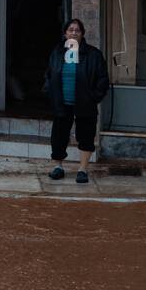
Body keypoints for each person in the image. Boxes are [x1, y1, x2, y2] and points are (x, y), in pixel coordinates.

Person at [42, 18, 109, 184]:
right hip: (62, 103)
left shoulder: (93, 55)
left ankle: (82, 169)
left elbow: (102, 80)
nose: (73, 32)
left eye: (77, 30)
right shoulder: (57, 52)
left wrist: (93, 97)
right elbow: (49, 74)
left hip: (84, 103)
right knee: (58, 136)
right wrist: (49, 92)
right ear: (65, 33)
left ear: (82, 34)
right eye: (70, 30)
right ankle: (58, 167)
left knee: (86, 135)